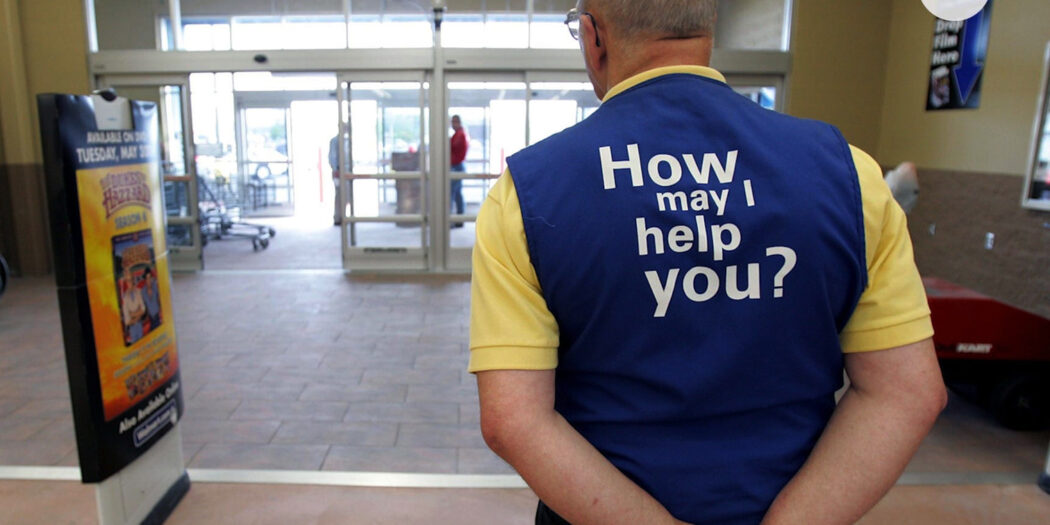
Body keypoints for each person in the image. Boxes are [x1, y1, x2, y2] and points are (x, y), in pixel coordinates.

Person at [469, 2, 948, 524]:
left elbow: (512, 420)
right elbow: (907, 393)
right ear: (706, 26)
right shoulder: (851, 177)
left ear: (592, 36)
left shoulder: (527, 195)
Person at [449, 115, 469, 228]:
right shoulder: (458, 134)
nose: (453, 124)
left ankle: (454, 219)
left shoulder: (460, 135)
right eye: (452, 122)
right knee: (457, 194)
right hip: (456, 165)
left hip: (456, 166)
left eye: (455, 122)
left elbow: (453, 147)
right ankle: (458, 218)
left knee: (452, 193)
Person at [329, 132, 350, 225]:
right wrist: (335, 169)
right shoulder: (335, 141)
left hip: (346, 171)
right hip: (338, 171)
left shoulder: (347, 140)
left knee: (346, 195)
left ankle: (343, 216)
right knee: (339, 195)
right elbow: (332, 156)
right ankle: (338, 217)